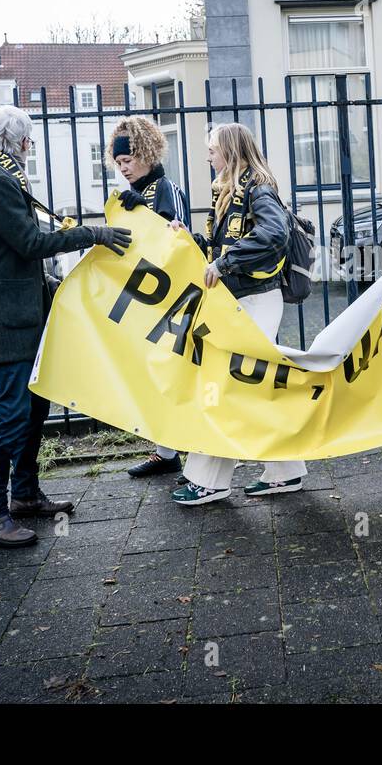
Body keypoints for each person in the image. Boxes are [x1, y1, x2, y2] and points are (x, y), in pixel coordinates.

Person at [0, 105, 132, 547]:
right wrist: (92, 235)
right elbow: (30, 242)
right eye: (29, 140)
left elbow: (19, 249)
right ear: (20, 142)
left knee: (35, 406)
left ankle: (22, 496)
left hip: (22, 311)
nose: (31, 146)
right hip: (6, 317)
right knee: (13, 412)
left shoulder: (1, 176)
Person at [170, 122, 307, 506]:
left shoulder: (258, 188)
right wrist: (188, 238)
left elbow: (274, 234)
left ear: (230, 151)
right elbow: (220, 244)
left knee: (227, 386)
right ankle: (285, 471)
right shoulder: (230, 189)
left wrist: (227, 262)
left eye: (212, 149)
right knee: (255, 388)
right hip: (245, 302)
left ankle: (210, 481)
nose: (208, 156)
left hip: (254, 302)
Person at [106, 117, 191, 478]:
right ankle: (165, 451)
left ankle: (184, 448)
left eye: (127, 161)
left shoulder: (165, 188)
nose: (123, 169)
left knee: (171, 374)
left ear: (146, 153)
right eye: (118, 163)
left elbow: (178, 244)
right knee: (153, 375)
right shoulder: (134, 191)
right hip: (145, 299)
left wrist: (147, 212)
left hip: (169, 301)